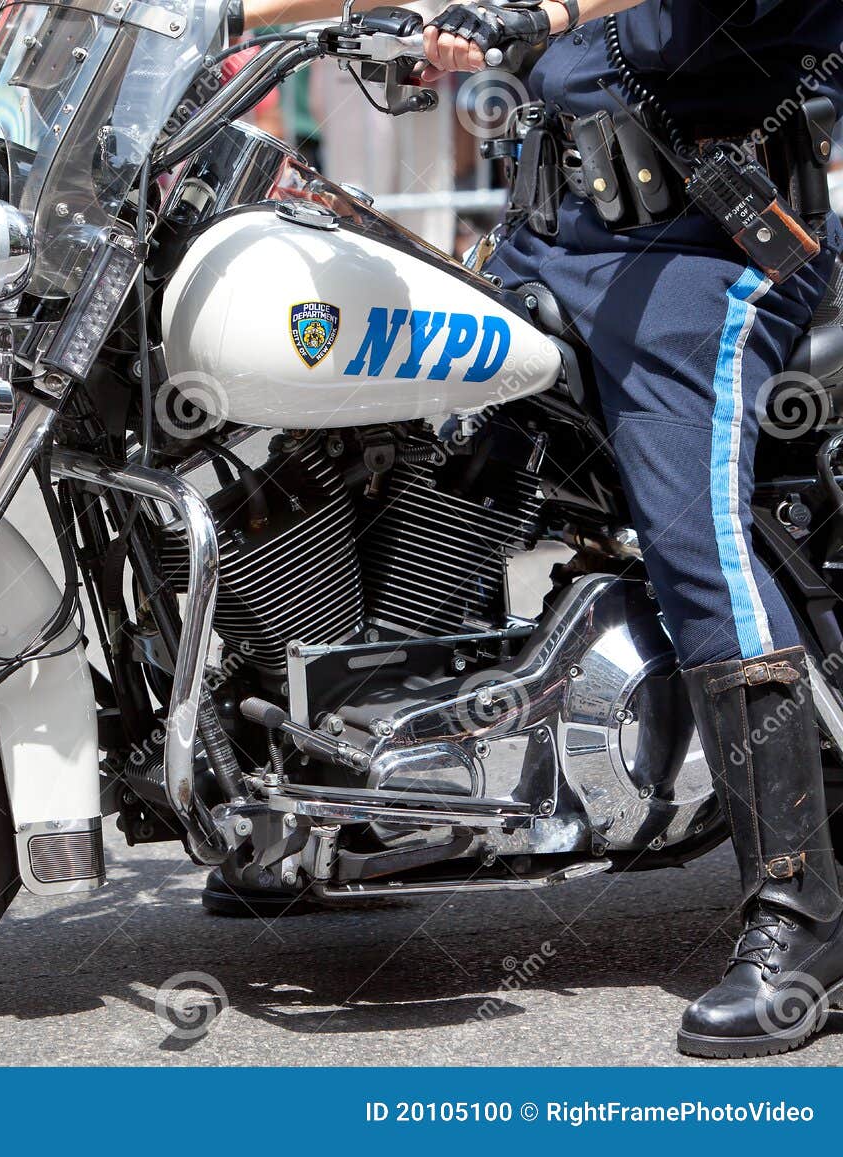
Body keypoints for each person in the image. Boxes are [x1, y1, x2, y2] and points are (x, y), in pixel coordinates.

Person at [218, 0, 843, 1059]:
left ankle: (803, 919)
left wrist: (535, 12)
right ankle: (370, 800)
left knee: (700, 550)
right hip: (551, 239)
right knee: (427, 456)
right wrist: (217, 13)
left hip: (703, 258)